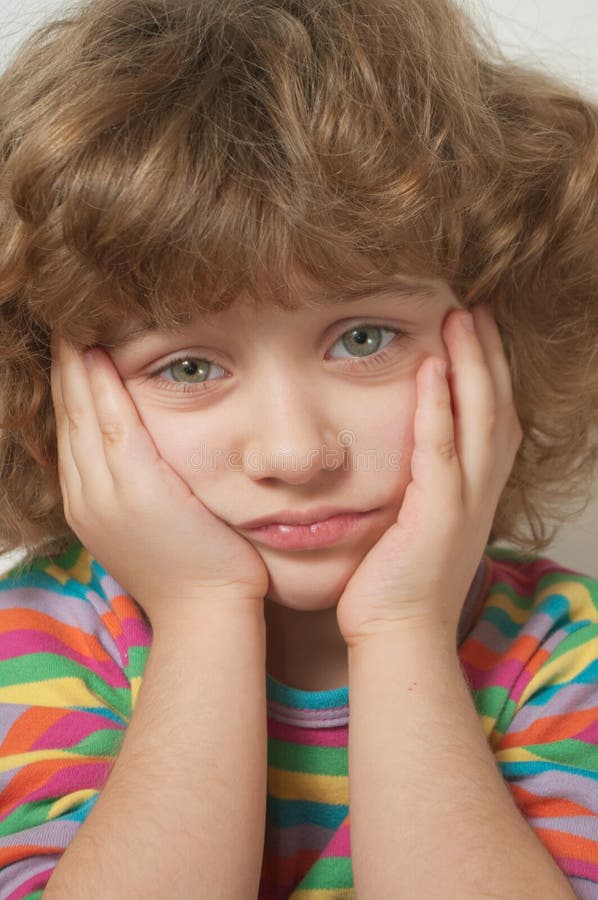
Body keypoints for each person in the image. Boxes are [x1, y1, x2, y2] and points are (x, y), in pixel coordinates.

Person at [0, 0, 596, 896]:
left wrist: (405, 632)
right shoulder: (36, 640)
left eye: (364, 339)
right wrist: (205, 617)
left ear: (504, 334)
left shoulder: (567, 655)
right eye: (189, 364)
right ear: (49, 391)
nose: (295, 452)